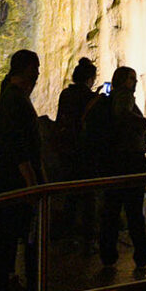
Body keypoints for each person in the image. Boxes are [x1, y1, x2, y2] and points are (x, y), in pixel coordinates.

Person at [0, 50, 43, 291]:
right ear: (27, 68)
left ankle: (0, 282)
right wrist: (31, 182)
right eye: (36, 67)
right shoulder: (14, 99)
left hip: (11, 176)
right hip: (13, 179)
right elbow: (17, 145)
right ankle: (1, 289)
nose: (39, 73)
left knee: (7, 234)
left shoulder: (12, 96)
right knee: (8, 234)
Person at [95, 66, 146, 275]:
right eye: (131, 78)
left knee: (111, 211)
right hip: (130, 161)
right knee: (135, 213)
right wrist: (142, 122)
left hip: (113, 163)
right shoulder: (124, 96)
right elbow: (123, 114)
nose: (135, 82)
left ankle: (108, 258)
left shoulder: (110, 99)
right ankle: (142, 259)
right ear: (123, 80)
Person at [54, 58, 99, 249]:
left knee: (70, 196)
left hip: (67, 151)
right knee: (88, 197)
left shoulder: (66, 94)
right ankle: (88, 239)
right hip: (86, 153)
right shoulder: (91, 99)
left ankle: (67, 236)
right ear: (90, 78)